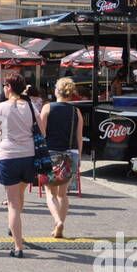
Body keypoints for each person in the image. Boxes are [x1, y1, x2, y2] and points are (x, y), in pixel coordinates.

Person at [0, 72, 38, 257]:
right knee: (19, 195)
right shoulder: (32, 106)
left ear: (9, 87)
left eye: (4, 86)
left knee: (13, 204)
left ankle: (18, 246)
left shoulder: (1, 108)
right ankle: (14, 227)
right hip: (29, 156)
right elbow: (41, 130)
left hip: (8, 156)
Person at [40, 77, 83, 238]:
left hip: (51, 153)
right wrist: (78, 159)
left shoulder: (47, 108)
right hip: (71, 154)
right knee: (63, 194)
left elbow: (41, 134)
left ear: (56, 91)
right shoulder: (76, 111)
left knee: (50, 193)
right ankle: (60, 225)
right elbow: (79, 137)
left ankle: (57, 221)